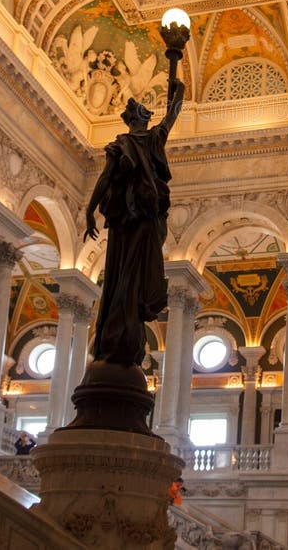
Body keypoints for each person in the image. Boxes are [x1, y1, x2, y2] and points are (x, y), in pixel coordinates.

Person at [84, 79, 185, 367]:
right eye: (139, 110)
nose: (138, 113)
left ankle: (122, 331)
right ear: (139, 118)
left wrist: (91, 210)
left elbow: (171, 116)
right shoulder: (127, 144)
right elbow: (105, 178)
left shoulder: (143, 141)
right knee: (122, 276)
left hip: (140, 219)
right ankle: (120, 332)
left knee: (130, 274)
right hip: (129, 220)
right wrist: (90, 210)